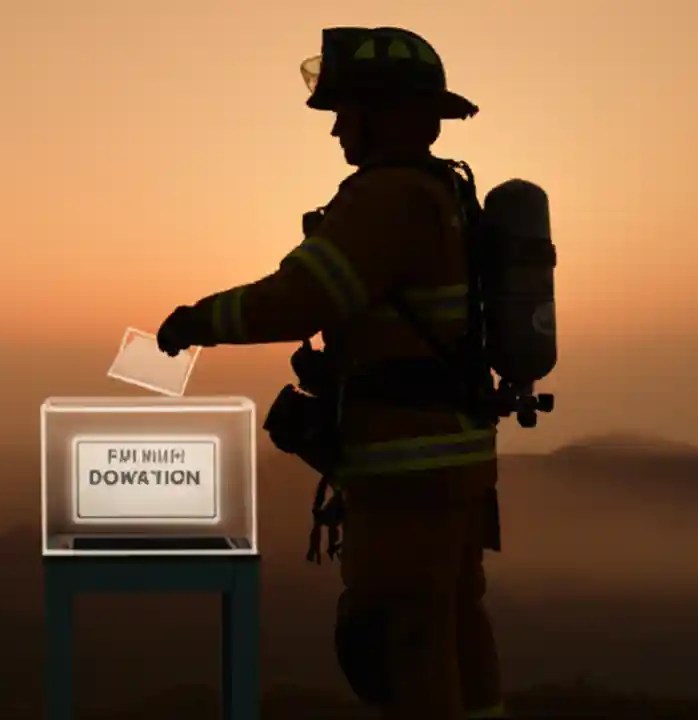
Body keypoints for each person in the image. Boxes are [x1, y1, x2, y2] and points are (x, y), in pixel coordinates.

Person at [156, 26, 506, 720]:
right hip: (455, 463)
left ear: (386, 113)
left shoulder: (385, 199)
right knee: (454, 631)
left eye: (347, 110)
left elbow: (297, 298)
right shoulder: (443, 195)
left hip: (404, 472)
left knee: (403, 643)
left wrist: (195, 322)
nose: (337, 127)